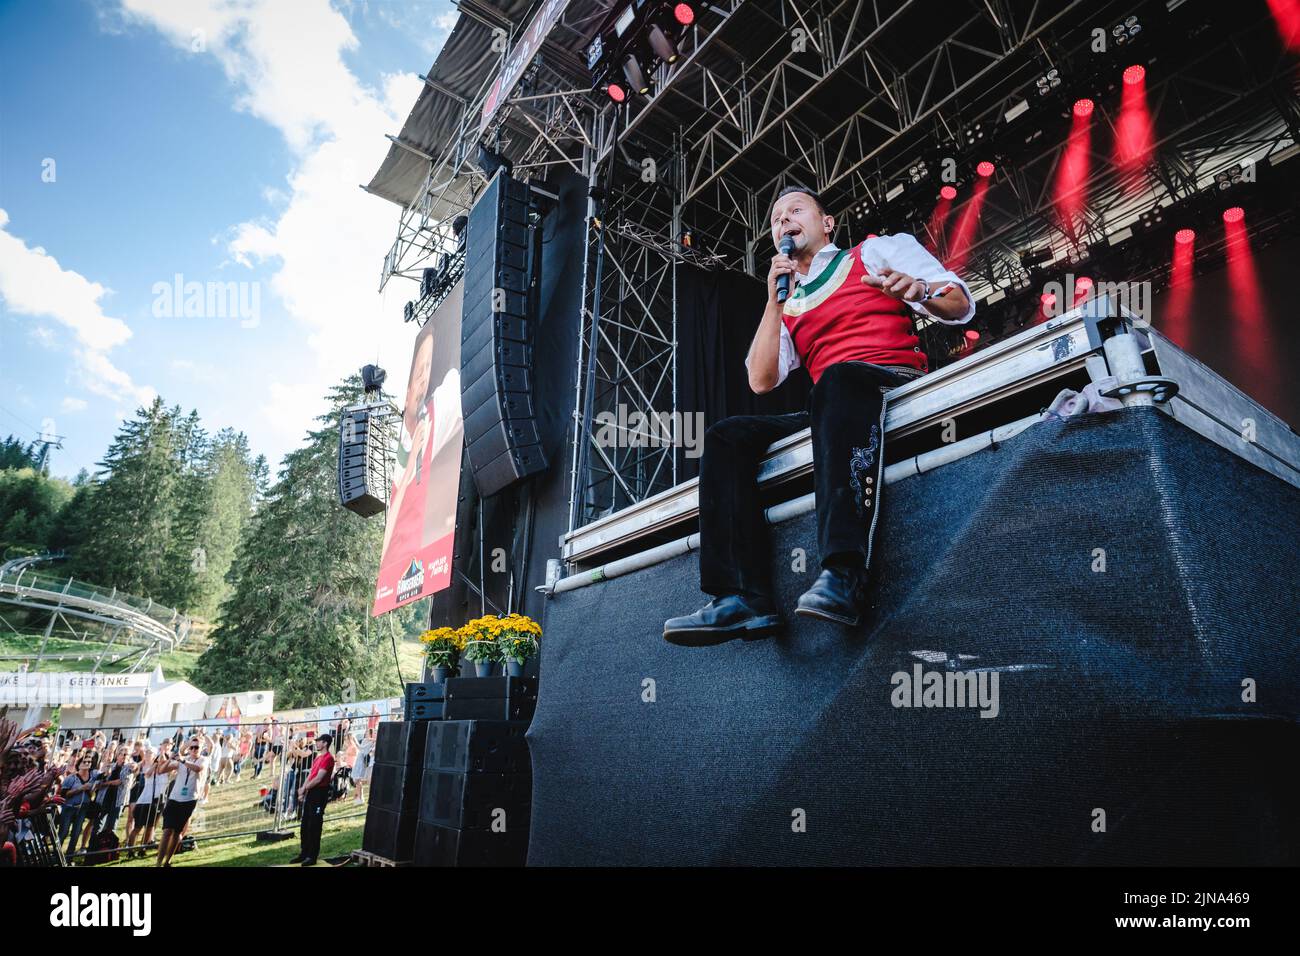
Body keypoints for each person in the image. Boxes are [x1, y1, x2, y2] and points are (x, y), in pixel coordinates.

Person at [663, 186, 974, 641]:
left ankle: (844, 573)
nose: (784, 221)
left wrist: (923, 291)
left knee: (836, 380)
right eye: (776, 219)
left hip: (891, 380)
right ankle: (743, 597)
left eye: (795, 210)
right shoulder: (788, 299)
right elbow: (760, 380)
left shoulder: (875, 252)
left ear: (827, 223)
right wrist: (774, 302)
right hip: (834, 401)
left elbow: (960, 304)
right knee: (726, 436)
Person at [155, 734, 209, 867]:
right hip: (174, 798)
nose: (194, 749)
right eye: (192, 747)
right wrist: (170, 759)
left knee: (176, 832)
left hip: (189, 800)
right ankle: (158, 863)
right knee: (167, 831)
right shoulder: (183, 759)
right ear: (189, 748)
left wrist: (182, 760)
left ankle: (167, 861)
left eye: (197, 747)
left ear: (201, 748)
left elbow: (198, 769)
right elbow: (161, 770)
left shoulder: (203, 759)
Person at [290, 733, 334, 866]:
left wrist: (304, 788)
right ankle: (304, 853)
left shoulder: (328, 758)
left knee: (314, 825)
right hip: (311, 792)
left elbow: (319, 778)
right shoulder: (318, 758)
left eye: (319, 741)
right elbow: (310, 775)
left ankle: (312, 856)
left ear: (325, 743)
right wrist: (303, 789)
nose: (316, 743)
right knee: (305, 824)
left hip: (320, 793)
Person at [57, 756, 98, 860]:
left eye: (89, 762)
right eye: (84, 761)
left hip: (83, 809)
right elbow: (64, 794)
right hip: (69, 807)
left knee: (76, 833)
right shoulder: (71, 778)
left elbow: (92, 795)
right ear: (78, 765)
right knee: (63, 832)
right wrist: (80, 788)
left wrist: (91, 790)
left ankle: (69, 857)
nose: (87, 763)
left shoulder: (92, 779)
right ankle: (56, 856)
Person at [351, 727, 374, 804]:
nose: (365, 733)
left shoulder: (371, 742)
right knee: (356, 780)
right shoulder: (364, 740)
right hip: (359, 760)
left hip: (363, 762)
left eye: (367, 732)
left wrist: (355, 740)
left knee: (359, 779)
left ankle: (361, 798)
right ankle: (360, 798)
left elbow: (361, 748)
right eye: (365, 732)